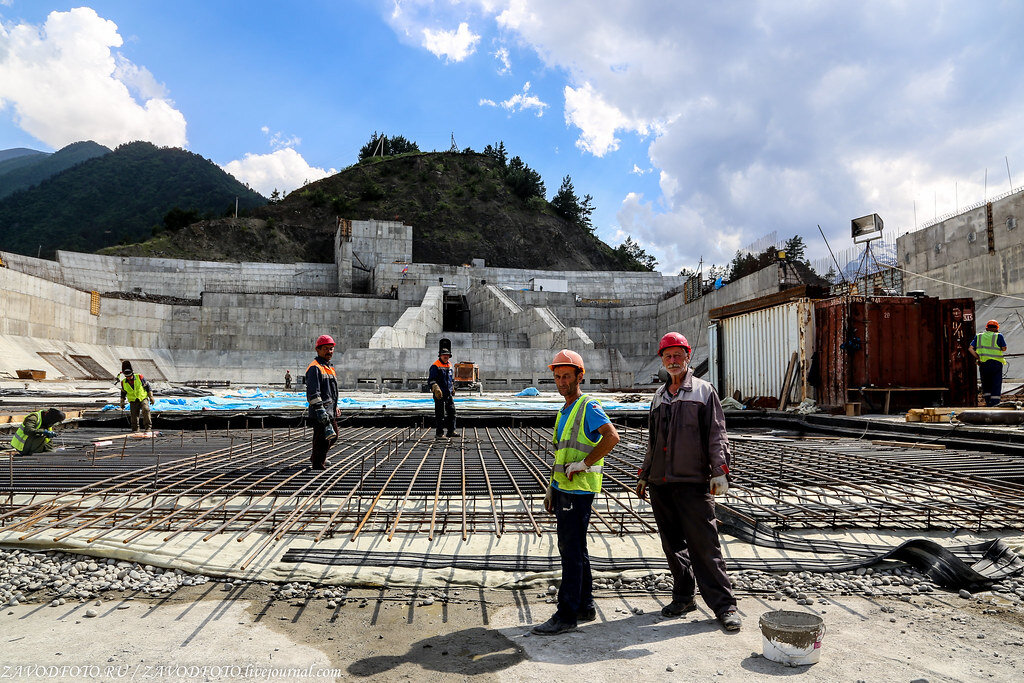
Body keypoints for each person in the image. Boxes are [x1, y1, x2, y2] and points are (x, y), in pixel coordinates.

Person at [636, 332, 741, 632]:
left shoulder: (704, 391)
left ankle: (724, 606)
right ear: (662, 359)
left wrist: (720, 470)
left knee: (704, 545)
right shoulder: (658, 396)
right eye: (667, 355)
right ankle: (683, 596)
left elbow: (717, 434)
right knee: (672, 545)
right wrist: (644, 474)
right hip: (661, 483)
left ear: (687, 356)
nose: (672, 360)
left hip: (693, 482)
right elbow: (653, 442)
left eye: (677, 355)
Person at [533, 349, 620, 635]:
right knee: (576, 549)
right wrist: (550, 489)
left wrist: (585, 463)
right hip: (564, 490)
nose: (561, 382)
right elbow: (560, 456)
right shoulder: (564, 411)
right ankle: (584, 605)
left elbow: (612, 437)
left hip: (579, 491)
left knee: (569, 552)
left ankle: (566, 614)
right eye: (557, 377)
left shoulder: (587, 406)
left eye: (566, 376)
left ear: (580, 376)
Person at [306, 334, 339, 469]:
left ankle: (316, 457)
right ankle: (317, 465)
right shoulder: (315, 368)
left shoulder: (329, 368)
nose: (329, 351)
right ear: (318, 350)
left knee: (330, 436)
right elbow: (313, 392)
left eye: (331, 349)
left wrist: (336, 406)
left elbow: (331, 392)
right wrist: (320, 410)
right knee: (324, 438)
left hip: (329, 410)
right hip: (321, 411)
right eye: (325, 348)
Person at [969, 319, 1007, 407]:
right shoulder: (998, 336)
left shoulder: (979, 336)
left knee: (986, 383)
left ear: (987, 328)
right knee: (996, 383)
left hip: (983, 364)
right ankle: (995, 404)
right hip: (996, 364)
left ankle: (988, 402)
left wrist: (978, 357)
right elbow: (1004, 348)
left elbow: (970, 348)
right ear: (997, 328)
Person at [428, 339, 459, 438]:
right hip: (439, 394)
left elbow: (450, 379)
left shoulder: (449, 365)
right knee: (440, 414)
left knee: (452, 413)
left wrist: (452, 387)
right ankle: (439, 433)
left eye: (448, 355)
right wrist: (435, 388)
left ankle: (451, 431)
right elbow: (431, 380)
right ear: (440, 356)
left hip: (448, 393)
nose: (446, 357)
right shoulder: (435, 366)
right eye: (444, 355)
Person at [119, 361, 155, 432]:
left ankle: (148, 427)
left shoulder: (139, 377)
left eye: (129, 376)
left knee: (146, 409)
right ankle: (135, 429)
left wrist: (151, 397)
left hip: (142, 398)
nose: (129, 378)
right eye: (127, 377)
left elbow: (148, 387)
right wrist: (122, 401)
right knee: (134, 415)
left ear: (132, 373)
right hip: (133, 401)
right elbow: (123, 392)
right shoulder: (123, 382)